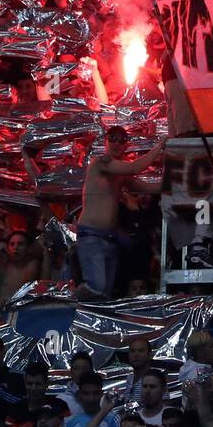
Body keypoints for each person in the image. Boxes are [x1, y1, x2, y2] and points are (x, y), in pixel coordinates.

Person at [74, 127, 165, 300]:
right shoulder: (100, 162)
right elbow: (134, 167)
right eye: (113, 138)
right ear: (105, 141)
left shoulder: (120, 176)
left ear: (126, 145)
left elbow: (154, 188)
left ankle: (88, 321)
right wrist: (160, 145)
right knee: (96, 286)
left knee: (105, 294)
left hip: (109, 237)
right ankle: (67, 299)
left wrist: (174, 166)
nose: (117, 142)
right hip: (91, 235)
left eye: (122, 139)